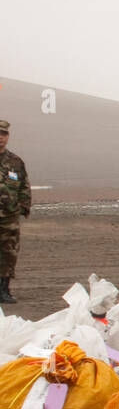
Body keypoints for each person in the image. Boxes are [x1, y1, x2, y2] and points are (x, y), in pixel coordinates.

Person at [0, 119, 32, 304]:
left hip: (8, 218)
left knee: (8, 254)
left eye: (4, 134)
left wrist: (22, 208)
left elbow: (24, 187)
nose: (0, 138)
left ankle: (4, 290)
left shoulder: (15, 162)